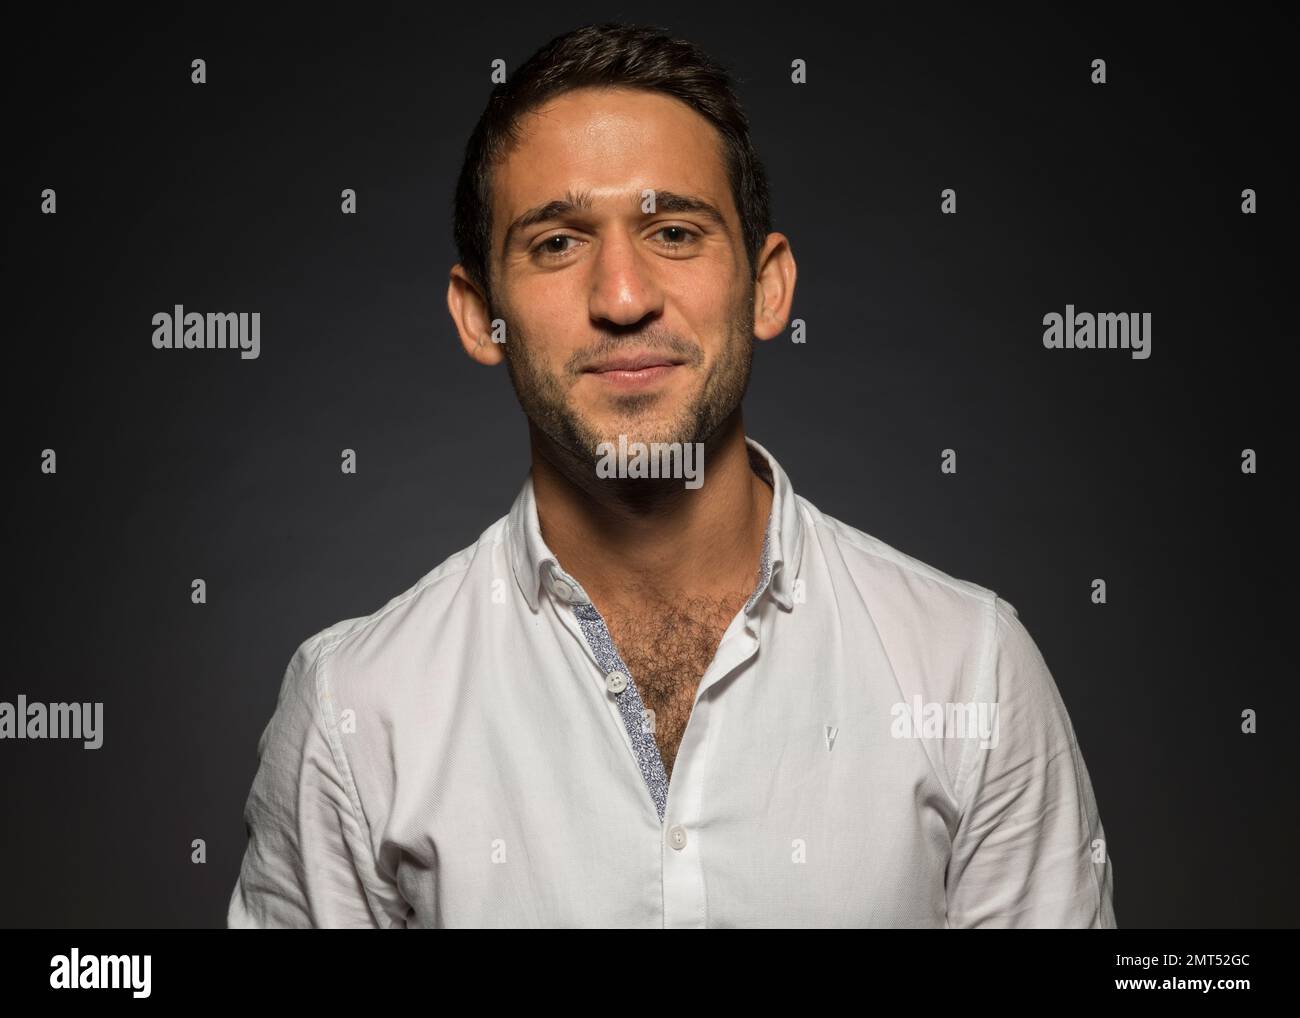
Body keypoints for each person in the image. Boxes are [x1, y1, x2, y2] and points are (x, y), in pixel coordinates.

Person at [227, 22, 1115, 928]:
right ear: (479, 315)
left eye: (676, 231)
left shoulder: (970, 673)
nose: (623, 296)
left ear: (767, 288)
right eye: (558, 243)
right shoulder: (355, 709)